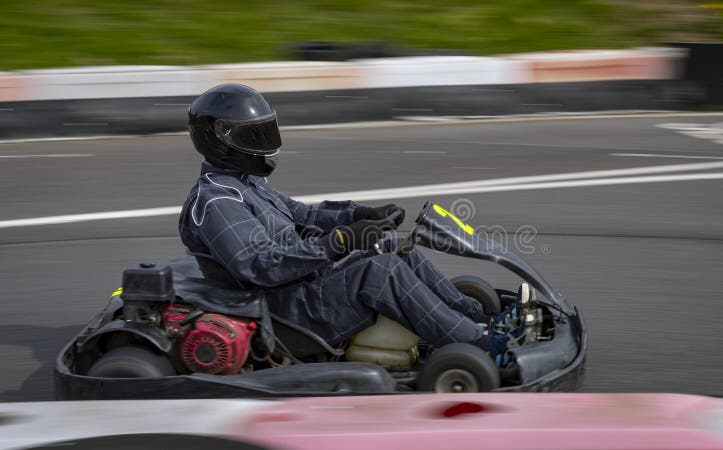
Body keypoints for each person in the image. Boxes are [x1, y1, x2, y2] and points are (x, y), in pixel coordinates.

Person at [178, 84, 511, 364]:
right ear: (220, 138)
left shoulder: (245, 182)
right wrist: (339, 241)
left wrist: (359, 215)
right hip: (285, 316)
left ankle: (476, 319)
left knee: (395, 248)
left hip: (303, 289)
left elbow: (303, 216)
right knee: (380, 272)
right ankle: (482, 348)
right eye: (254, 135)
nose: (264, 143)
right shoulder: (218, 202)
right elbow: (263, 267)